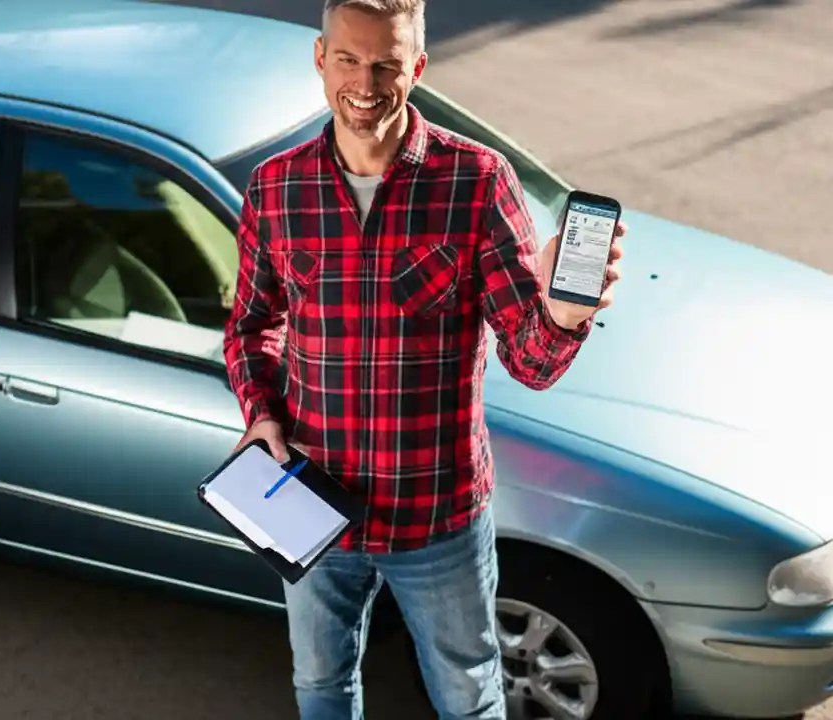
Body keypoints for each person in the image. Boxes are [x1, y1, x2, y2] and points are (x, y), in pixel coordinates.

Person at [222, 1, 625, 717]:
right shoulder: (277, 189)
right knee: (319, 683)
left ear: (418, 67)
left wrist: (562, 313)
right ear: (321, 59)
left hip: (437, 518)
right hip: (311, 500)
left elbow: (531, 363)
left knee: (468, 696)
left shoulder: (478, 183)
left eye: (387, 64)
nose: (365, 82)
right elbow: (254, 325)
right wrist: (261, 416)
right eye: (348, 59)